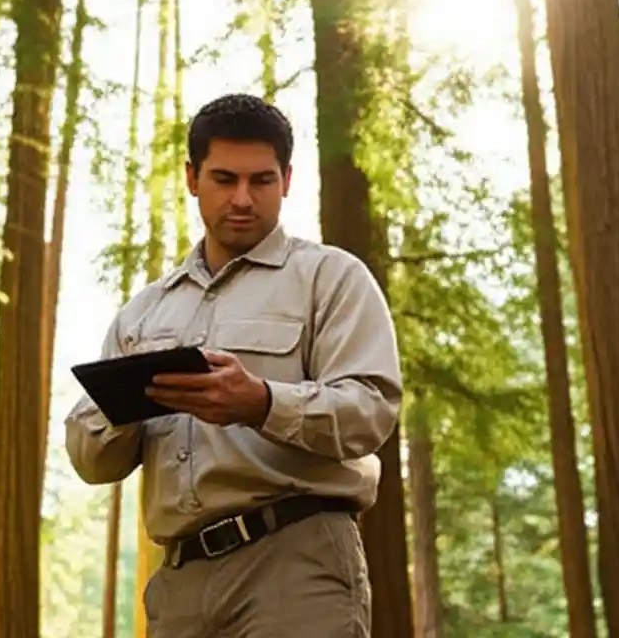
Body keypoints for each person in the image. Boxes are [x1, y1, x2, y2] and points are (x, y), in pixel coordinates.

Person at [65, 93, 401, 637]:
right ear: (192, 177)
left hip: (296, 564)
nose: (243, 199)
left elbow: (371, 412)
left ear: (287, 179)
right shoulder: (146, 311)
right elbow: (91, 463)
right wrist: (122, 407)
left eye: (261, 181)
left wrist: (262, 403)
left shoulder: (331, 280)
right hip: (179, 583)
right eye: (224, 179)